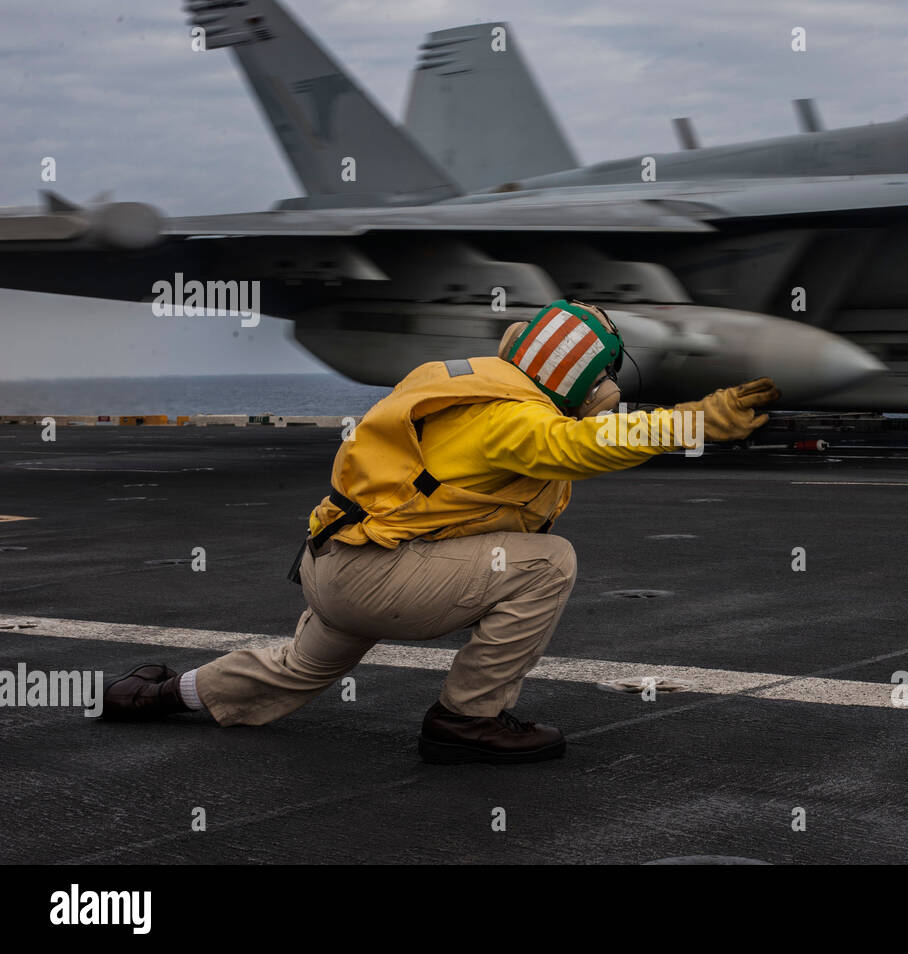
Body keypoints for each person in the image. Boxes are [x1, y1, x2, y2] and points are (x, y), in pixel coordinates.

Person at [98, 300, 780, 765]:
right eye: (601, 380)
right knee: (548, 563)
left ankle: (164, 693)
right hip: (378, 575)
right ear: (577, 379)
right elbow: (588, 445)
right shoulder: (512, 421)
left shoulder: (477, 390)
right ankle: (467, 719)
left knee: (297, 669)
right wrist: (698, 421)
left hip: (341, 560)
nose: (607, 391)